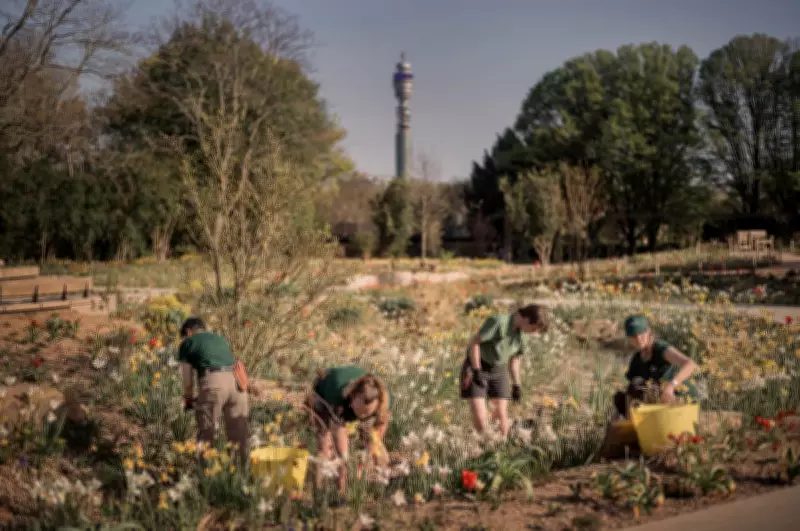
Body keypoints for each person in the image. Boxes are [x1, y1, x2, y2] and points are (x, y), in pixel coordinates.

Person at [460, 304, 549, 438]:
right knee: (480, 415)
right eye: (534, 328)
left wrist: (516, 385)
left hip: (498, 369)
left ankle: (501, 448)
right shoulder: (498, 322)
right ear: (526, 319)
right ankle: (487, 443)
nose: (534, 332)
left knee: (501, 414)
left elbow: (514, 360)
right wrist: (477, 370)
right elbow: (474, 343)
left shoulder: (522, 336)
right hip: (476, 365)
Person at [306, 366, 391, 494]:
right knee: (326, 446)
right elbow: (338, 433)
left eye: (366, 413)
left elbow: (378, 431)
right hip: (323, 393)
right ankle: (320, 492)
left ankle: (380, 488)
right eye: (360, 411)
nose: (362, 416)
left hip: (352, 405)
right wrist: (344, 461)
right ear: (352, 396)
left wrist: (370, 452)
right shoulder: (337, 397)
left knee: (377, 450)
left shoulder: (382, 400)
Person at [178, 317, 250, 466]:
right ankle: (240, 475)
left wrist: (188, 398)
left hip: (214, 382)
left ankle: (205, 476)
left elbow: (187, 378)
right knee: (238, 434)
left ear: (188, 331)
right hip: (237, 383)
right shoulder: (219, 338)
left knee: (207, 432)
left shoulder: (188, 342)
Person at [613, 314, 699, 418]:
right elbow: (632, 391)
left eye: (641, 334)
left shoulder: (660, 348)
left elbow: (690, 364)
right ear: (628, 338)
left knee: (648, 389)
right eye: (634, 336)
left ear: (649, 331)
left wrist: (671, 385)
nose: (639, 339)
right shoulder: (637, 359)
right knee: (624, 395)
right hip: (658, 400)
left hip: (680, 397)